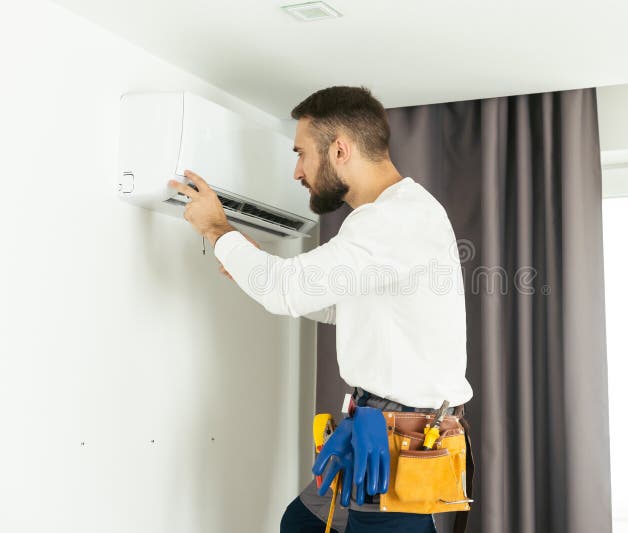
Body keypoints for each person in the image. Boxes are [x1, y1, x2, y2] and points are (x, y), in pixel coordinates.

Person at [168, 86, 473, 532]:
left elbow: (284, 291)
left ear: (340, 150)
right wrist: (255, 266)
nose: (297, 171)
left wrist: (217, 229)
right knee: (300, 526)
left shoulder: (391, 220)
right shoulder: (398, 215)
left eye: (301, 154)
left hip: (399, 448)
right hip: (372, 435)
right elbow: (341, 307)